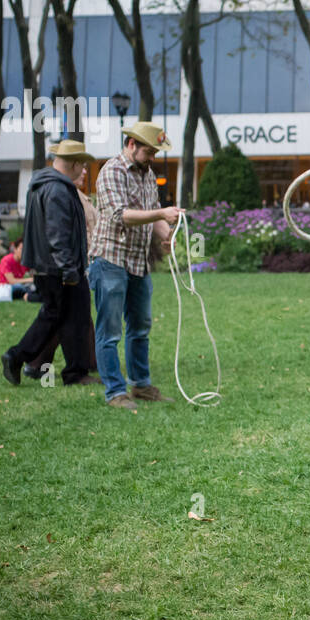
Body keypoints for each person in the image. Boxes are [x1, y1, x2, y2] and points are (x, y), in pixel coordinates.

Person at [90, 121, 184, 410]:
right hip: (110, 261)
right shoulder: (111, 172)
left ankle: (141, 385)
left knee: (141, 325)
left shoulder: (147, 174)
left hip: (138, 262)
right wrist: (162, 212)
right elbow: (121, 215)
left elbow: (153, 218)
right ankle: (115, 392)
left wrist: (167, 236)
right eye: (148, 152)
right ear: (131, 145)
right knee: (110, 330)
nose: (152, 158)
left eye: (155, 153)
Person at [0, 141, 98, 387]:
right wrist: (69, 270)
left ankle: (28, 359)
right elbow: (58, 234)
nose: (84, 171)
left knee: (58, 316)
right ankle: (23, 357)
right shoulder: (58, 190)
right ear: (74, 163)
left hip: (49, 267)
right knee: (72, 317)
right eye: (83, 166)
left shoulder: (42, 185)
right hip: (60, 268)